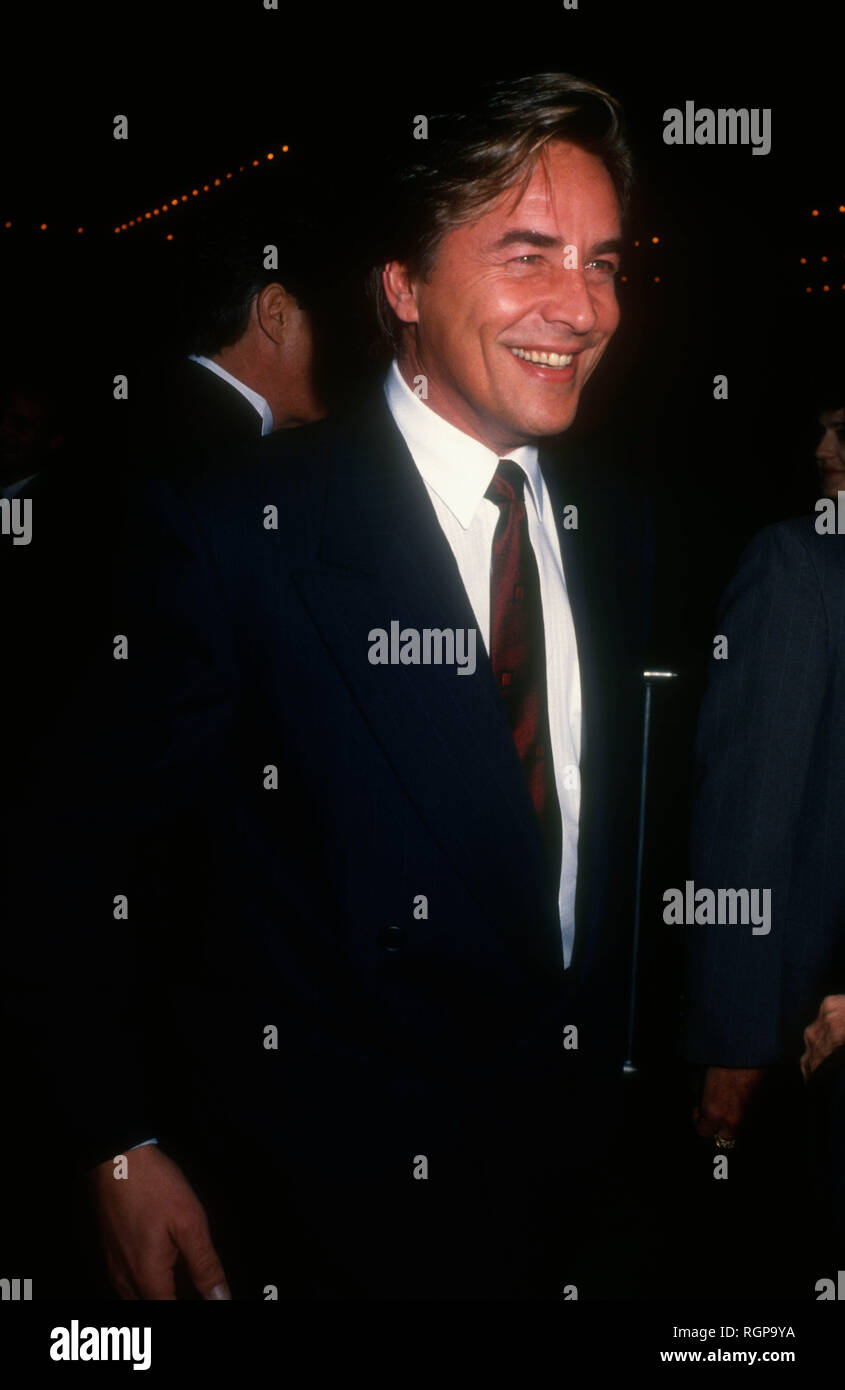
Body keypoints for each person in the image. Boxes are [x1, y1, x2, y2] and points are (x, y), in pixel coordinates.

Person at [14, 72, 655, 1300]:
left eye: (606, 261)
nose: (584, 308)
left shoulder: (617, 525)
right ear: (401, 285)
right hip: (321, 1220)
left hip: (573, 1198)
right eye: (528, 254)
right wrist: (115, 1143)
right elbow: (68, 864)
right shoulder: (234, 532)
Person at [680, 513, 845, 1270]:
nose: (823, 452)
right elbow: (746, 820)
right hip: (798, 1041)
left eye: (841, 430)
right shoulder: (800, 565)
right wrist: (736, 1042)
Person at [126, 193, 331, 476]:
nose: (341, 343)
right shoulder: (229, 465)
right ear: (277, 314)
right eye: (326, 318)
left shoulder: (156, 418)